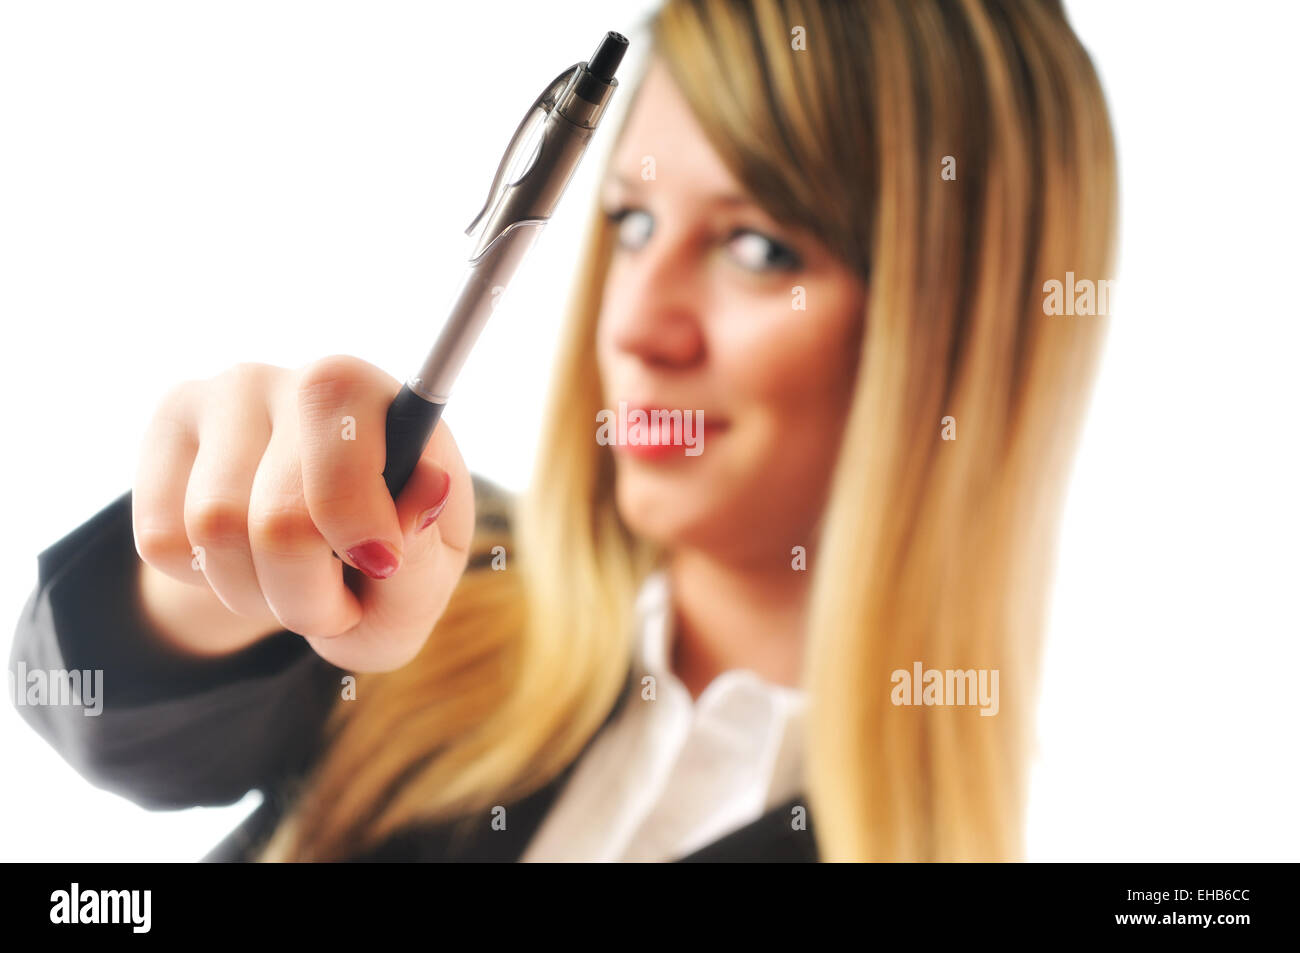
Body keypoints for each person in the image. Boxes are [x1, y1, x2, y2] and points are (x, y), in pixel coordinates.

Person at [9, 0, 1117, 862]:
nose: (633, 324)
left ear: (958, 322)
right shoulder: (434, 571)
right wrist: (226, 557)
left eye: (759, 248)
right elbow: (92, 700)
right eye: (633, 223)